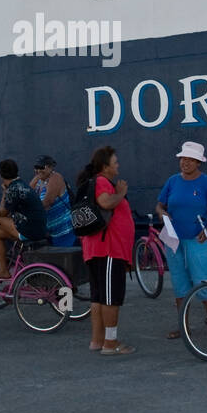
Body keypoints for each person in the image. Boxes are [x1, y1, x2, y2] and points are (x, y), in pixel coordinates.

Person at [155, 141, 207, 340]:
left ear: (198, 163)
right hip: (173, 239)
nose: (185, 162)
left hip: (198, 239)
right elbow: (159, 205)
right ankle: (183, 326)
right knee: (178, 282)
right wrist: (162, 214)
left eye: (190, 159)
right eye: (183, 158)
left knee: (201, 280)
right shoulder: (172, 181)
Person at [78, 147, 136, 355]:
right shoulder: (102, 182)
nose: (118, 165)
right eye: (115, 162)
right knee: (111, 298)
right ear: (105, 166)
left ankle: (97, 340)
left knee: (98, 297)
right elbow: (105, 202)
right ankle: (110, 343)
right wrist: (121, 192)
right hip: (109, 249)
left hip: (97, 249)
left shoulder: (95, 182)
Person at [0, 160, 47, 280]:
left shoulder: (13, 189)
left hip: (29, 229)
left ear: (0, 175)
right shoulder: (21, 185)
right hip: (37, 228)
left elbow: (2, 212)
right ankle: (2, 270)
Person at [31, 155, 76, 247]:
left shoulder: (55, 177)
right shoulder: (38, 181)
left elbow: (48, 202)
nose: (39, 170)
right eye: (37, 167)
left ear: (50, 168)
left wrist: (29, 209)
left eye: (42, 167)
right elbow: (27, 194)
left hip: (65, 232)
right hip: (52, 233)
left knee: (65, 260)